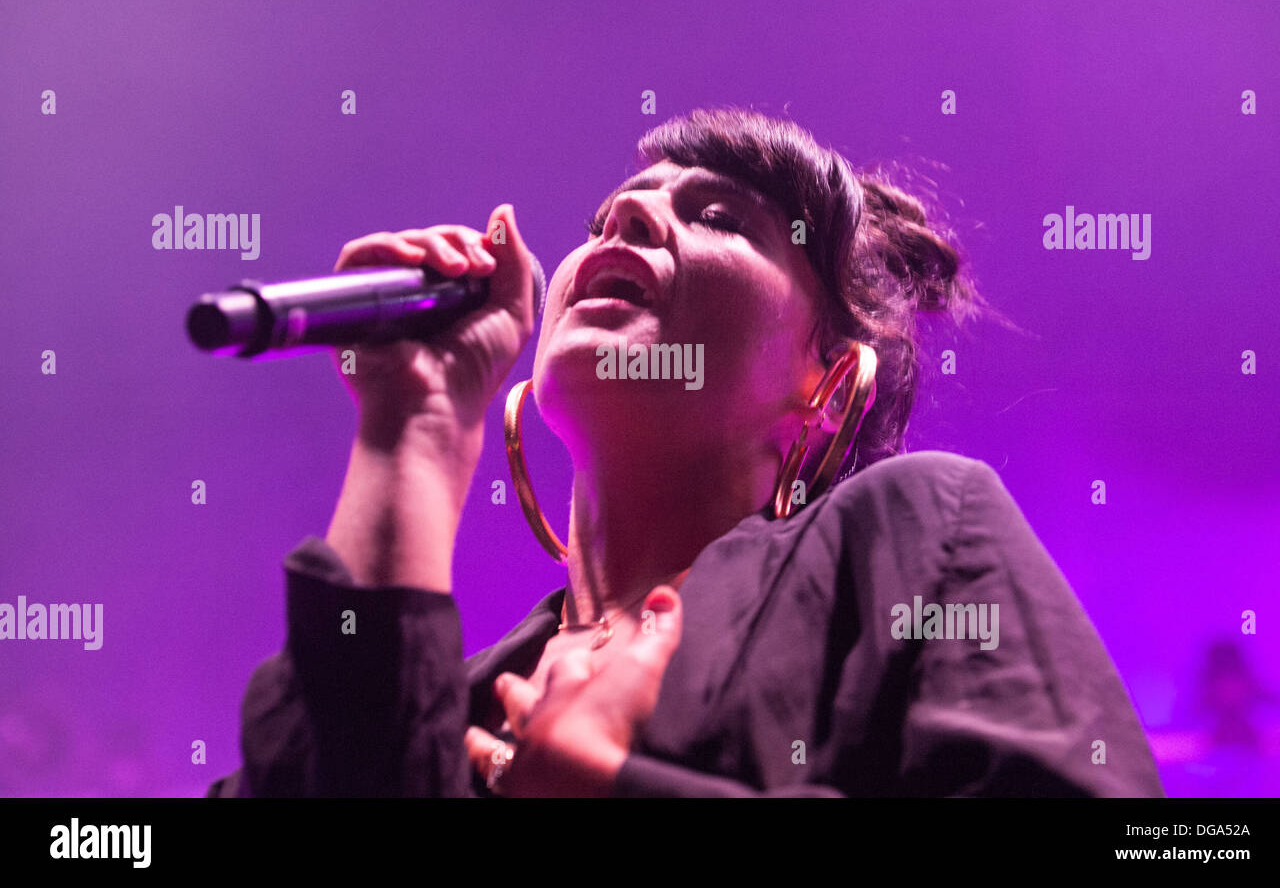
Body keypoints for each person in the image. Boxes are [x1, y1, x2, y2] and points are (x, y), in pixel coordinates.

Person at [206, 107, 1165, 798]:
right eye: (600, 220)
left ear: (826, 386)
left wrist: (614, 789)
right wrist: (411, 426)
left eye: (718, 218)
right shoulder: (455, 697)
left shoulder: (914, 535)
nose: (623, 220)